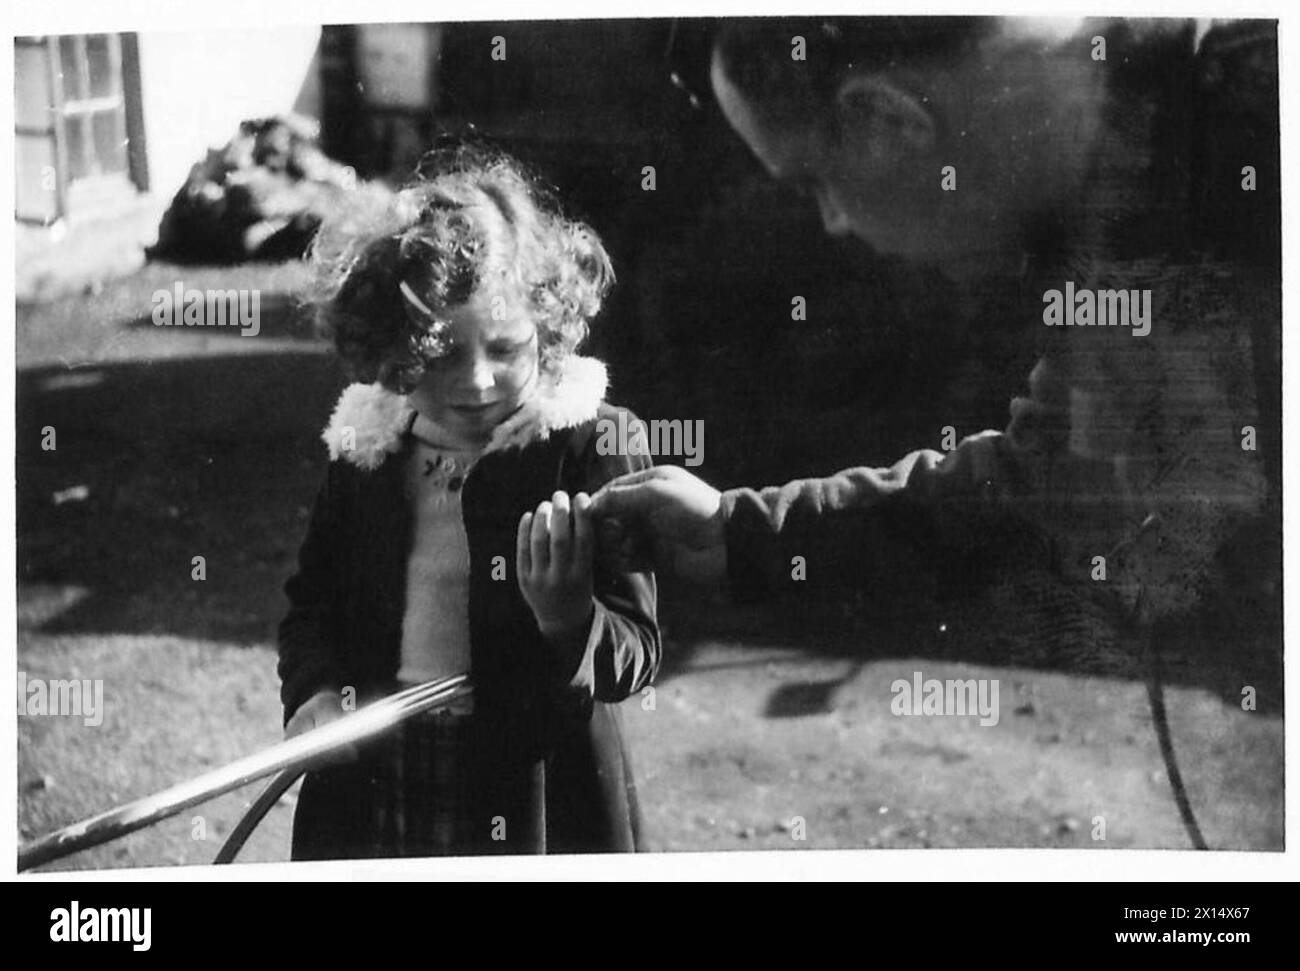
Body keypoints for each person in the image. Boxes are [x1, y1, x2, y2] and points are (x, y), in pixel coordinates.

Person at [594, 17, 1275, 667]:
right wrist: (734, 533)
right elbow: (1043, 486)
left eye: (815, 183)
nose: (832, 222)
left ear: (885, 119)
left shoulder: (1264, 114)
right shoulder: (1133, 172)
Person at [277, 141, 661, 859]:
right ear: (392, 345)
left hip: (536, 793)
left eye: (507, 348)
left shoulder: (585, 444)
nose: (478, 381)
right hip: (377, 776)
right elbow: (312, 606)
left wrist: (570, 617)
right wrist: (312, 694)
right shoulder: (367, 448)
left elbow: (637, 649)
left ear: (547, 331)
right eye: (442, 352)